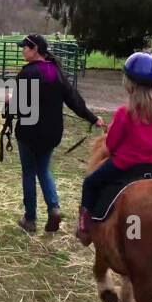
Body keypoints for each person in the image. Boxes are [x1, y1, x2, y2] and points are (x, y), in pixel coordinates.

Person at [76, 52, 152, 246]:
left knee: (90, 183)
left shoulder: (124, 113)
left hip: (123, 166)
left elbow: (111, 145)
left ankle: (85, 227)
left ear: (130, 84)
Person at [10, 35, 104, 234]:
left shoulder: (27, 74)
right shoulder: (56, 72)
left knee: (29, 172)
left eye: (25, 48)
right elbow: (74, 100)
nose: (22, 51)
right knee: (43, 170)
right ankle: (54, 208)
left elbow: (19, 107)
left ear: (35, 49)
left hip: (28, 132)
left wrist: (10, 103)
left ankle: (30, 219)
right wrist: (93, 118)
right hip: (52, 133)